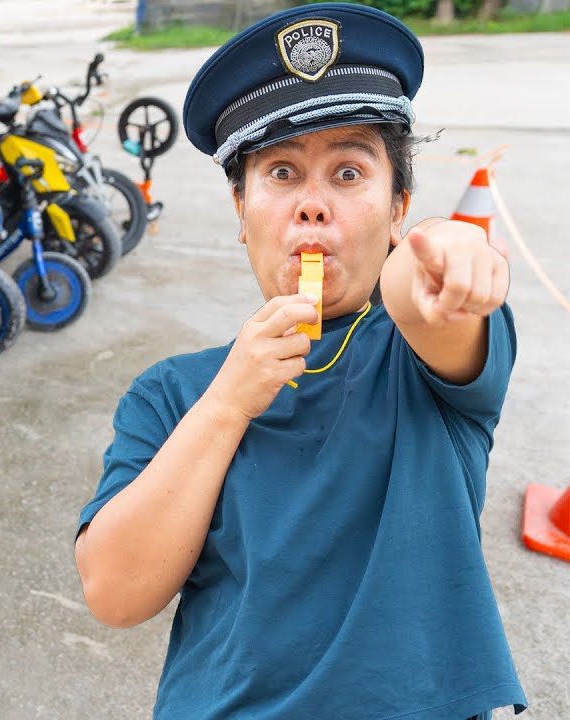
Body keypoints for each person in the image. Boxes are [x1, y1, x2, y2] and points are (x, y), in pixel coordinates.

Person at [74, 4, 526, 719]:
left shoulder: (422, 355)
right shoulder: (171, 394)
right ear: (241, 209)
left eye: (349, 173)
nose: (313, 205)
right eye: (282, 173)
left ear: (397, 205)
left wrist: (442, 249)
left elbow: (423, 295)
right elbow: (115, 592)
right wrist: (227, 404)